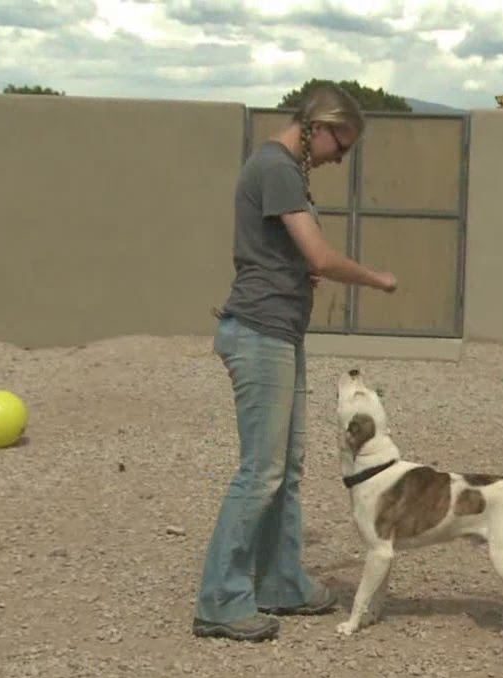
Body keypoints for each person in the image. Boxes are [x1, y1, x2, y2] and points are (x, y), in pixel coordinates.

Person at [193, 83, 398, 642]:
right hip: (258, 333)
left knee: (286, 468)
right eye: (342, 143)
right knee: (260, 472)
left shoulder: (285, 171)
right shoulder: (277, 167)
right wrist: (375, 278)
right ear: (319, 125)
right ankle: (220, 599)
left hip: (279, 332)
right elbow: (321, 256)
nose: (341, 157)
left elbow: (288, 255)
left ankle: (281, 582)